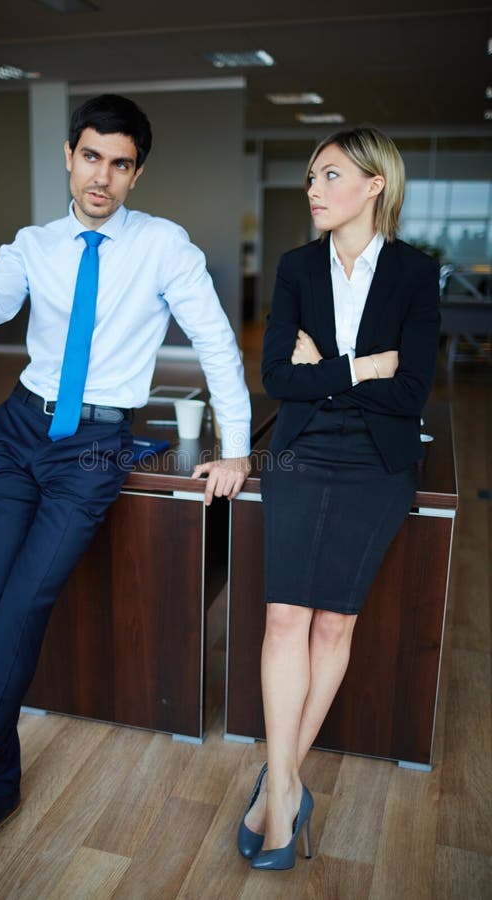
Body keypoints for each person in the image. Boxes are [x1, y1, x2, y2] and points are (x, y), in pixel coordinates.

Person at [0, 93, 251, 886]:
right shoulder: (36, 243)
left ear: (136, 173)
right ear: (68, 154)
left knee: (20, 613)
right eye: (92, 156)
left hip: (92, 448)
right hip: (18, 433)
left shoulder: (165, 247)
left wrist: (237, 449)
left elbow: (218, 344)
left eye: (120, 164)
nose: (103, 177)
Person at [237, 127, 440, 871]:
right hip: (301, 450)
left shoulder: (417, 273)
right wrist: (366, 365)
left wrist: (329, 366)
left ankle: (277, 784)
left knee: (332, 626)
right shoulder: (295, 268)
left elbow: (413, 390)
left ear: (374, 184)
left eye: (329, 174)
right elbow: (278, 381)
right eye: (311, 176)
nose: (314, 189)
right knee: (285, 615)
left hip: (377, 463)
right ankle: (286, 791)